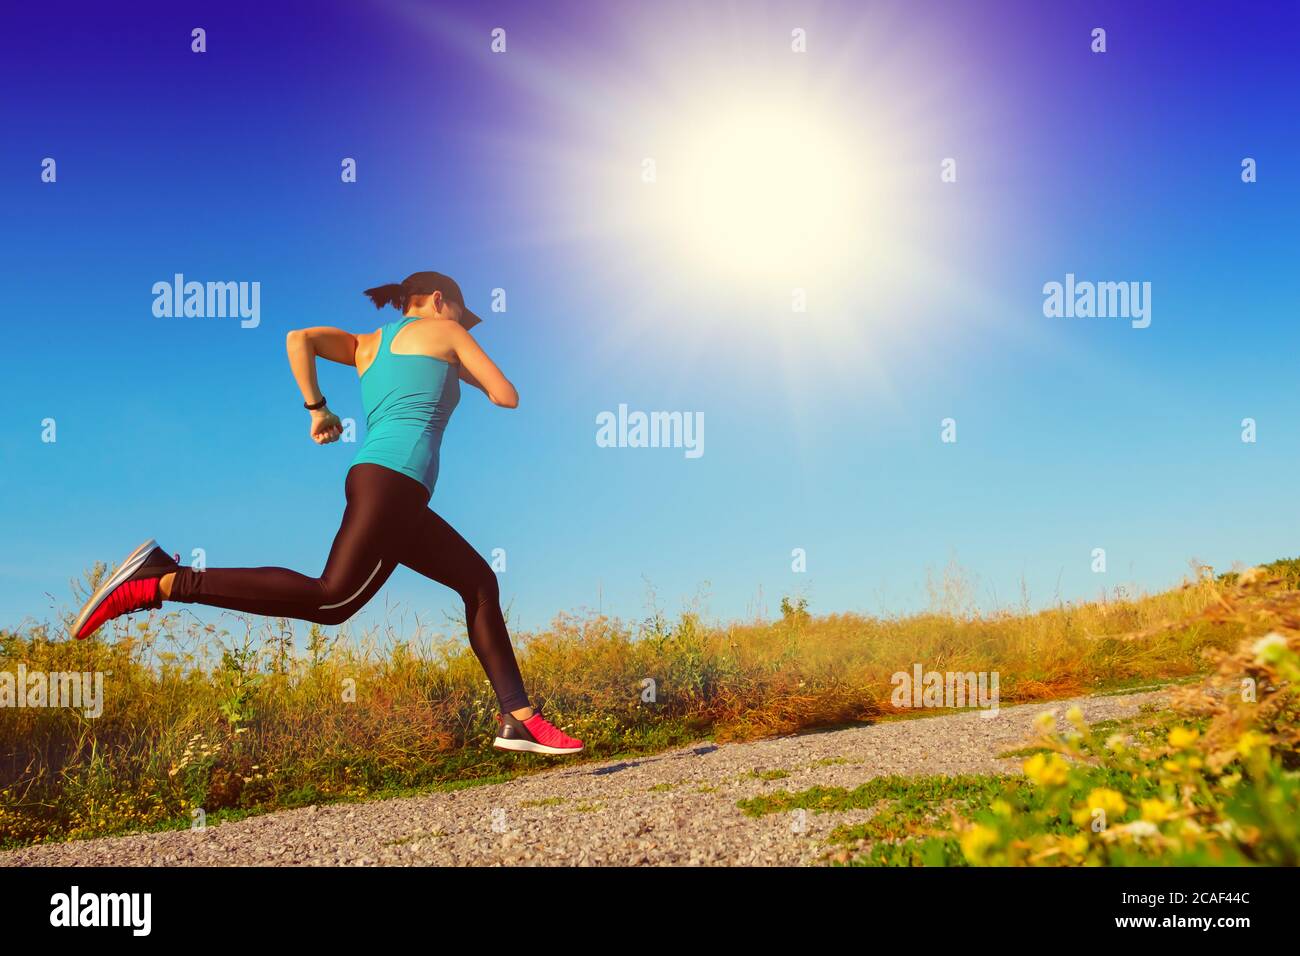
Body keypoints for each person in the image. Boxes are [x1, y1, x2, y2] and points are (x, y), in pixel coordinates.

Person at [70, 271, 583, 755]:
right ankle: (163, 580)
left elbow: (300, 338)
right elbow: (506, 395)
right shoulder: (446, 329)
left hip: (380, 481)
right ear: (441, 302)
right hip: (396, 484)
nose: (460, 326)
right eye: (461, 315)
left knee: (475, 582)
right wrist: (461, 362)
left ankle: (518, 717)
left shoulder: (365, 344)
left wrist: (319, 409)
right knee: (331, 599)